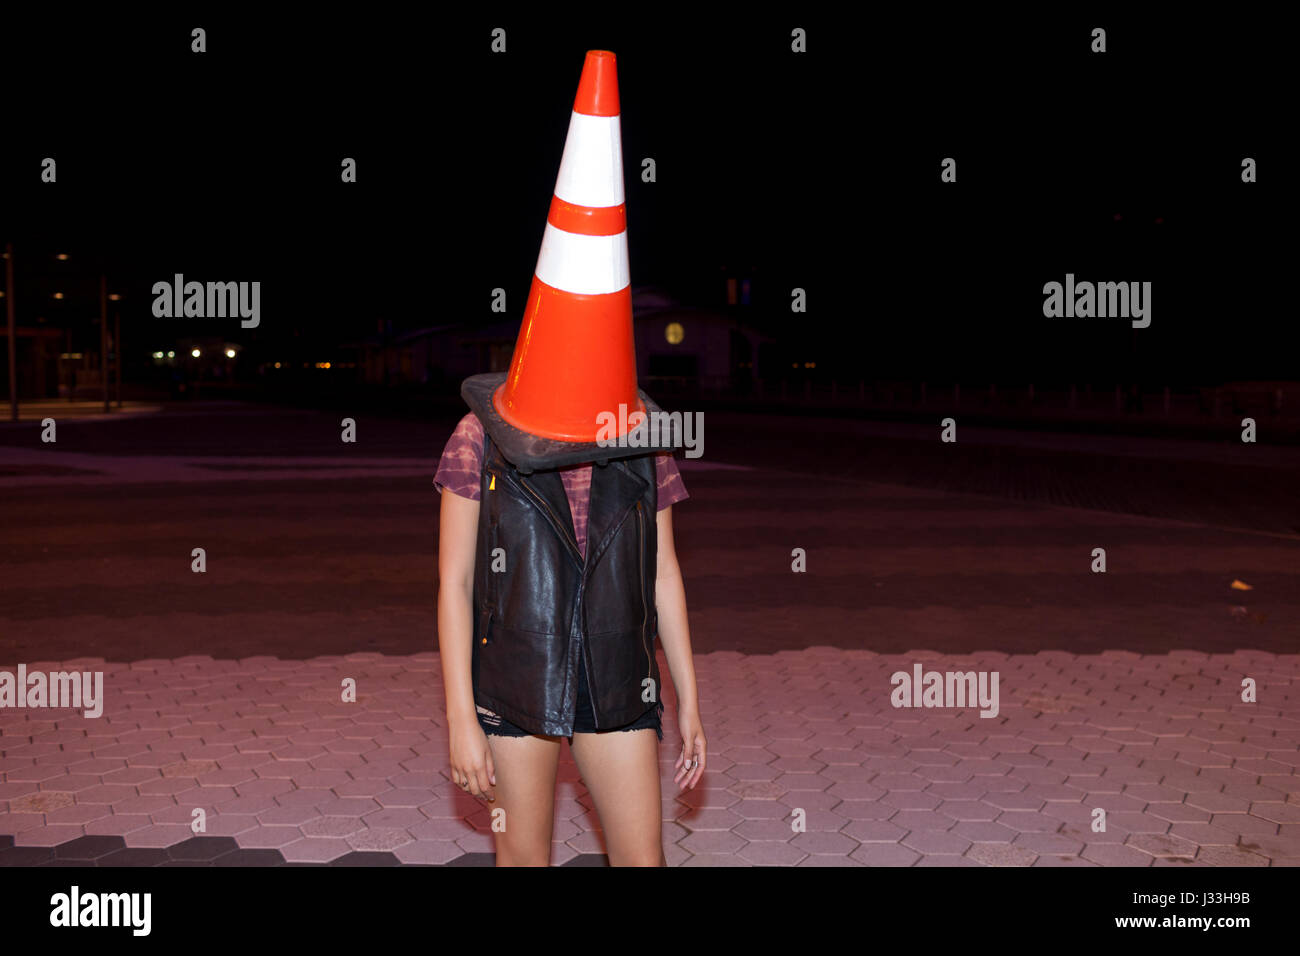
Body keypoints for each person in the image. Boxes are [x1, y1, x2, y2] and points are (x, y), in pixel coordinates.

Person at [435, 49, 706, 866]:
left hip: (620, 683)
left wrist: (690, 698)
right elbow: (452, 584)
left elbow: (663, 576)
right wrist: (461, 717)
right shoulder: (478, 443)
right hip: (514, 688)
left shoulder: (640, 449)